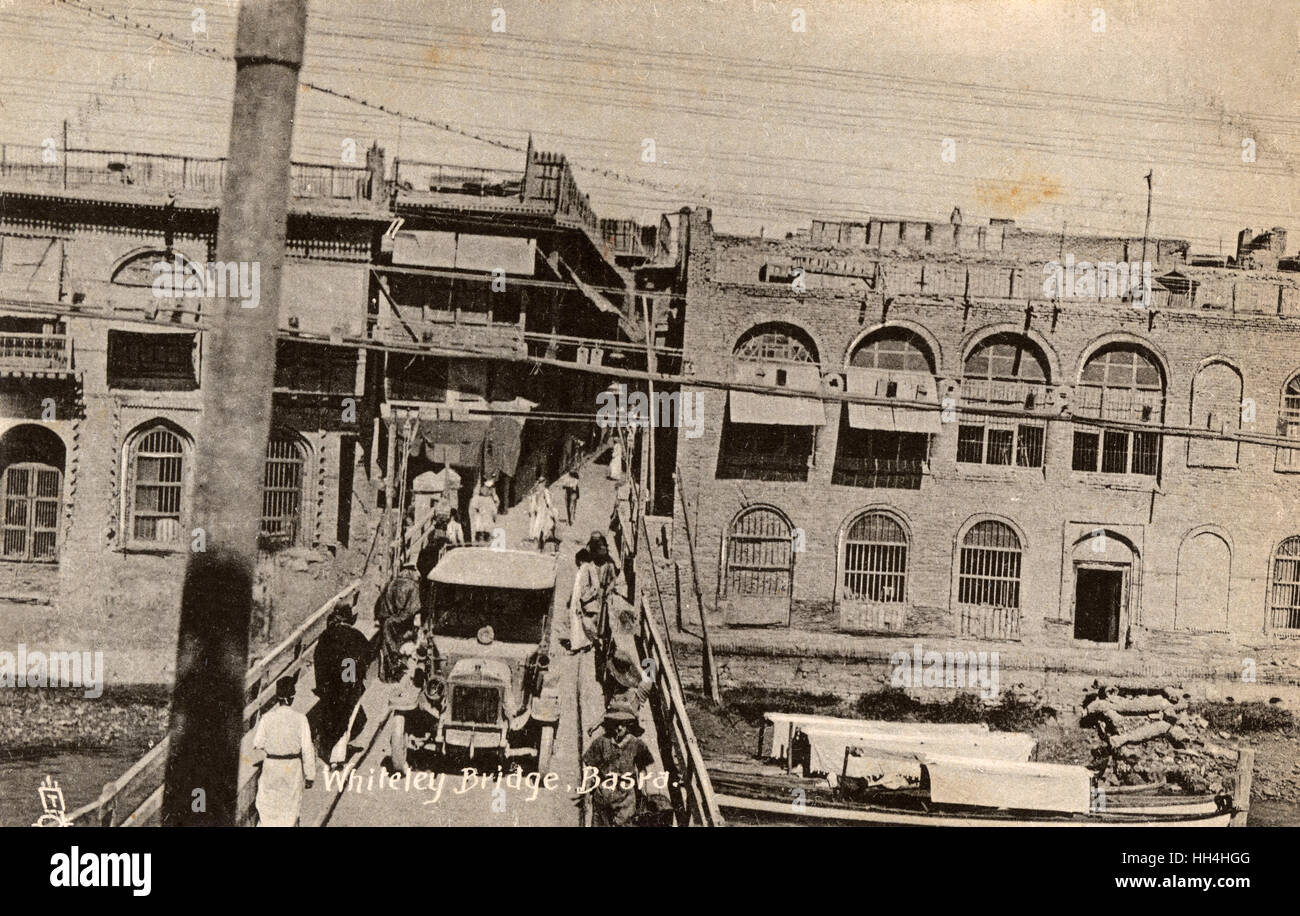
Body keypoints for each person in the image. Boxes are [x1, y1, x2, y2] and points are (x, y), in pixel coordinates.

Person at [251, 675, 316, 827]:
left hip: (271, 766)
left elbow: (258, 743)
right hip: (292, 768)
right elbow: (307, 749)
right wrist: (310, 774)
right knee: (290, 809)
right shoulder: (300, 719)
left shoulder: (267, 718)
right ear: (292, 697)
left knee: (269, 807)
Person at [312, 601, 370, 766]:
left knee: (332, 717)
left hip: (328, 687)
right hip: (347, 686)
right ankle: (336, 758)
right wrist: (352, 686)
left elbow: (319, 661)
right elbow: (359, 660)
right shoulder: (355, 636)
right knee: (347, 718)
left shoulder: (326, 636)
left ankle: (327, 750)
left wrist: (322, 685)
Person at [581, 702, 654, 827]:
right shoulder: (601, 742)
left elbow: (642, 769)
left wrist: (643, 791)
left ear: (629, 725)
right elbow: (590, 767)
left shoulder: (637, 744)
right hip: (603, 795)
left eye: (623, 724)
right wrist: (587, 790)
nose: (619, 728)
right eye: (616, 724)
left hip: (626, 797)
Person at [375, 562, 421, 682]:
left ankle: (389, 676)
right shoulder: (413, 586)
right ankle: (399, 675)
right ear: (412, 572)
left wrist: (389, 620)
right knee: (403, 650)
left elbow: (381, 608)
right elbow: (414, 610)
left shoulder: (390, 584)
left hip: (388, 624)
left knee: (389, 650)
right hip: (404, 626)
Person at [561, 548, 594, 654]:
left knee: (577, 622)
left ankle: (576, 646)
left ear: (580, 560)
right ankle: (585, 644)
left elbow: (584, 588)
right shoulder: (585, 569)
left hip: (579, 601)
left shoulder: (585, 569)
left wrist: (581, 600)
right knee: (581, 623)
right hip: (578, 600)